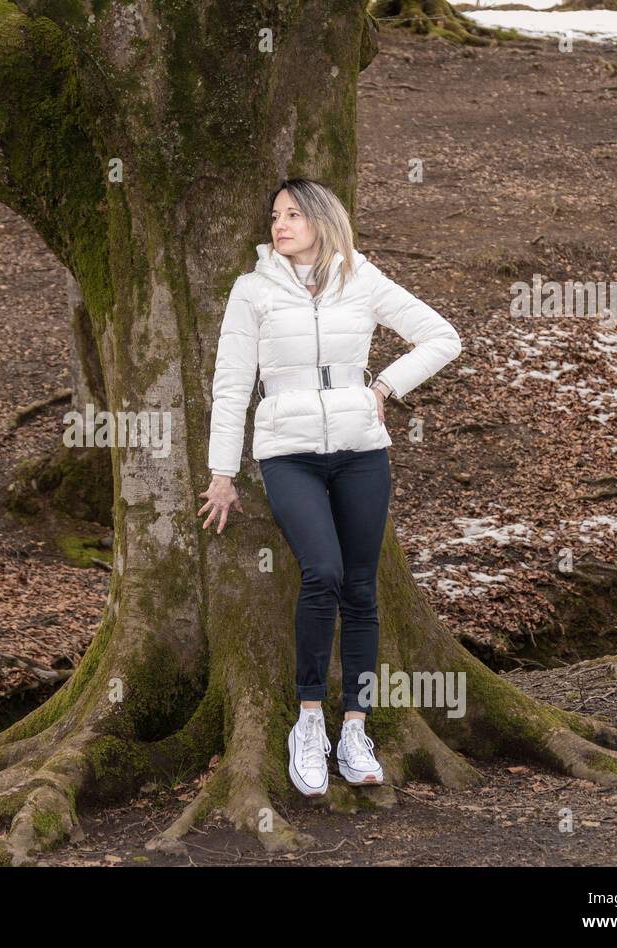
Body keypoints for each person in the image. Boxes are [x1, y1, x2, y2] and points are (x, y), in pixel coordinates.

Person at [197, 178, 462, 796]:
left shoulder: (360, 279)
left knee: (362, 590)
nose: (280, 225)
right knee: (323, 572)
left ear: (321, 220)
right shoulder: (252, 290)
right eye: (274, 216)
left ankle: (354, 728)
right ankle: (308, 722)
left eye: (292, 214)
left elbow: (442, 337)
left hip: (361, 451)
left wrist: (383, 388)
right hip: (288, 454)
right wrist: (222, 473)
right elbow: (232, 384)